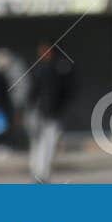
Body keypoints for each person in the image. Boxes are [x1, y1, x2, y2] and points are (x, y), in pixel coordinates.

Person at [27, 42, 75, 182]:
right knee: (37, 143)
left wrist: (60, 109)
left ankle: (42, 174)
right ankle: (36, 172)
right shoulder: (39, 68)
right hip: (39, 113)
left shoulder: (61, 68)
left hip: (53, 114)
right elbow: (33, 92)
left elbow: (68, 91)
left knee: (48, 144)